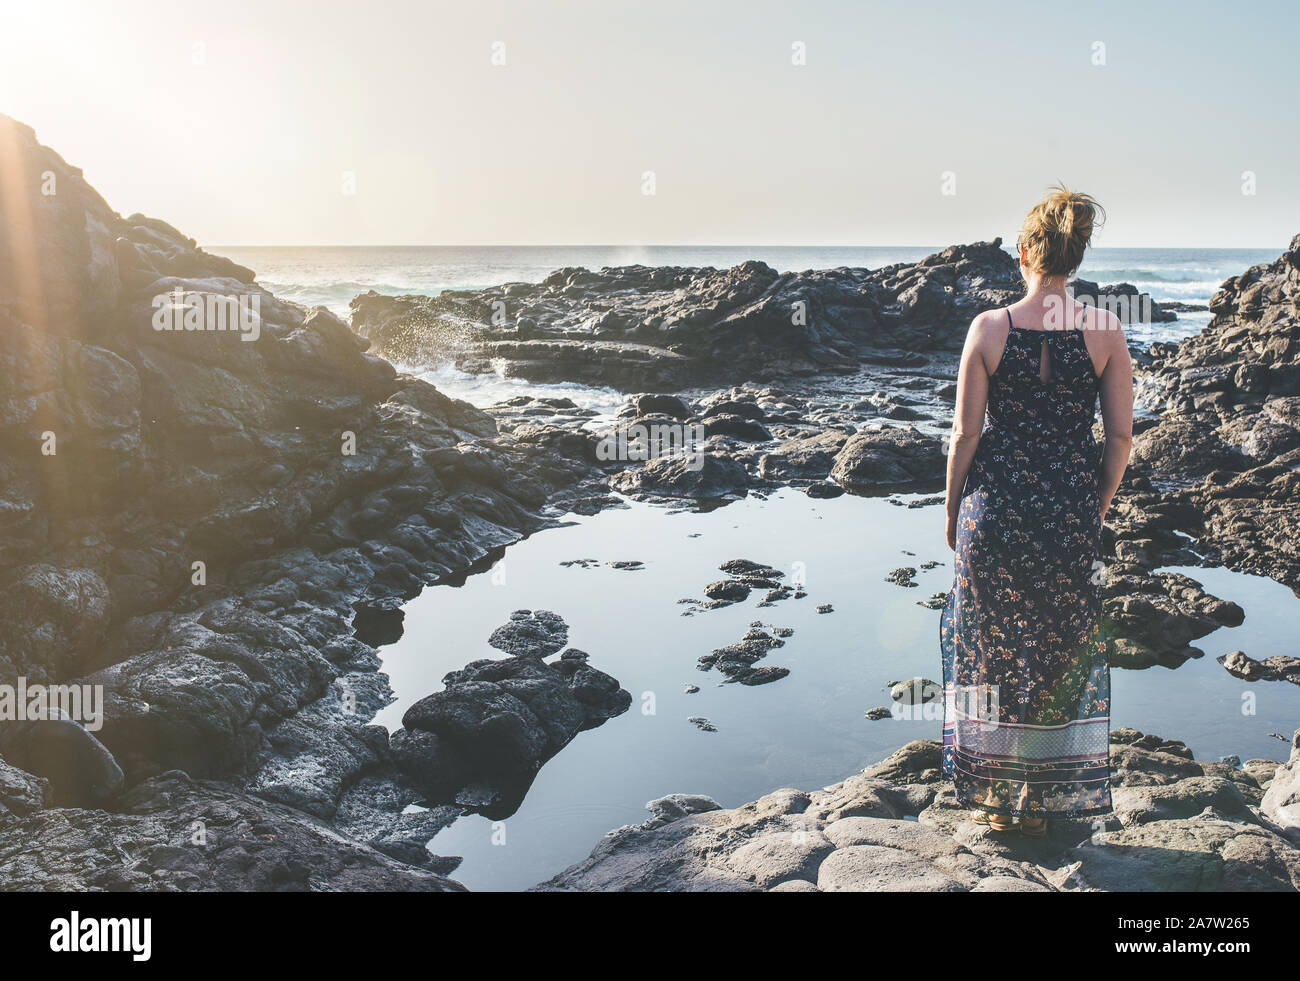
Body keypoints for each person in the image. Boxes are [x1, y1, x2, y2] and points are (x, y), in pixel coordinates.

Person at [940, 186, 1133, 835]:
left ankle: (996, 797)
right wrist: (1093, 507)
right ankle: (1045, 802)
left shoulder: (990, 329)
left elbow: (966, 435)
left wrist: (951, 510)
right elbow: (1120, 438)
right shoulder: (1104, 331)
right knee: (1056, 651)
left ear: (1023, 251)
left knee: (988, 649)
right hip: (1066, 516)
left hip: (994, 511)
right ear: (1074, 258)